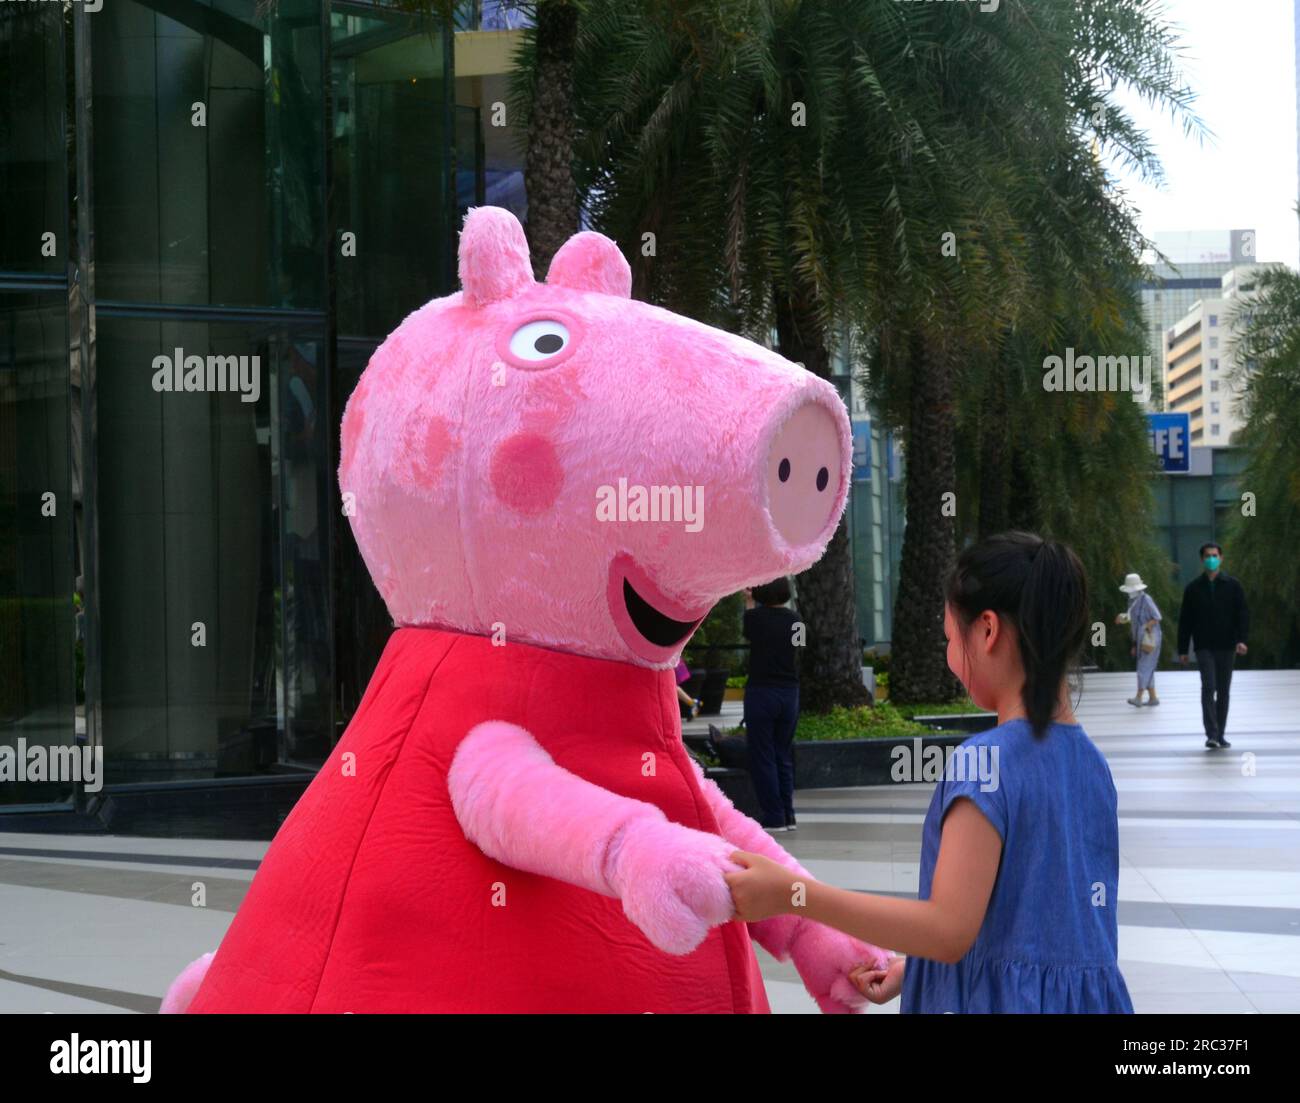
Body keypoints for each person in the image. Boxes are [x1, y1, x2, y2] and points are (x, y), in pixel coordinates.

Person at [725, 531, 1133, 1013]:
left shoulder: (984, 764)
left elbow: (946, 930)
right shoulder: (1092, 765)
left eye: (949, 638)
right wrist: (914, 968)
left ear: (987, 631)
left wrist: (793, 895)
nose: (949, 657)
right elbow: (1036, 923)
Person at [742, 577, 801, 833]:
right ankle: (789, 814)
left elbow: (748, 633)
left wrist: (748, 601)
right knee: (783, 754)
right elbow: (800, 651)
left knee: (763, 754)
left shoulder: (755, 618)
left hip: (761, 691)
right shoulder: (796, 621)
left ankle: (774, 816)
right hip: (789, 692)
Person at [1177, 543, 1249, 750]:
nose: (1211, 559)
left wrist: (1241, 640)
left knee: (1224, 690)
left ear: (1221, 558)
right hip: (1204, 646)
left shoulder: (1233, 586)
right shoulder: (1193, 588)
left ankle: (1221, 733)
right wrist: (1183, 650)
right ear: (1202, 559)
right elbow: (1185, 620)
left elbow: (1242, 614)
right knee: (1209, 687)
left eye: (1215, 555)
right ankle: (1212, 733)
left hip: (1227, 645)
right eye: (1208, 556)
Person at [1115, 573, 1161, 708]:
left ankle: (1138, 697)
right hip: (1140, 639)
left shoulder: (1146, 599)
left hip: (1150, 638)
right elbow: (1132, 621)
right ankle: (1153, 697)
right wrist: (1134, 644)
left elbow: (1157, 617)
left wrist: (1146, 626)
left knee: (1143, 667)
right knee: (1148, 667)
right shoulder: (1132, 601)